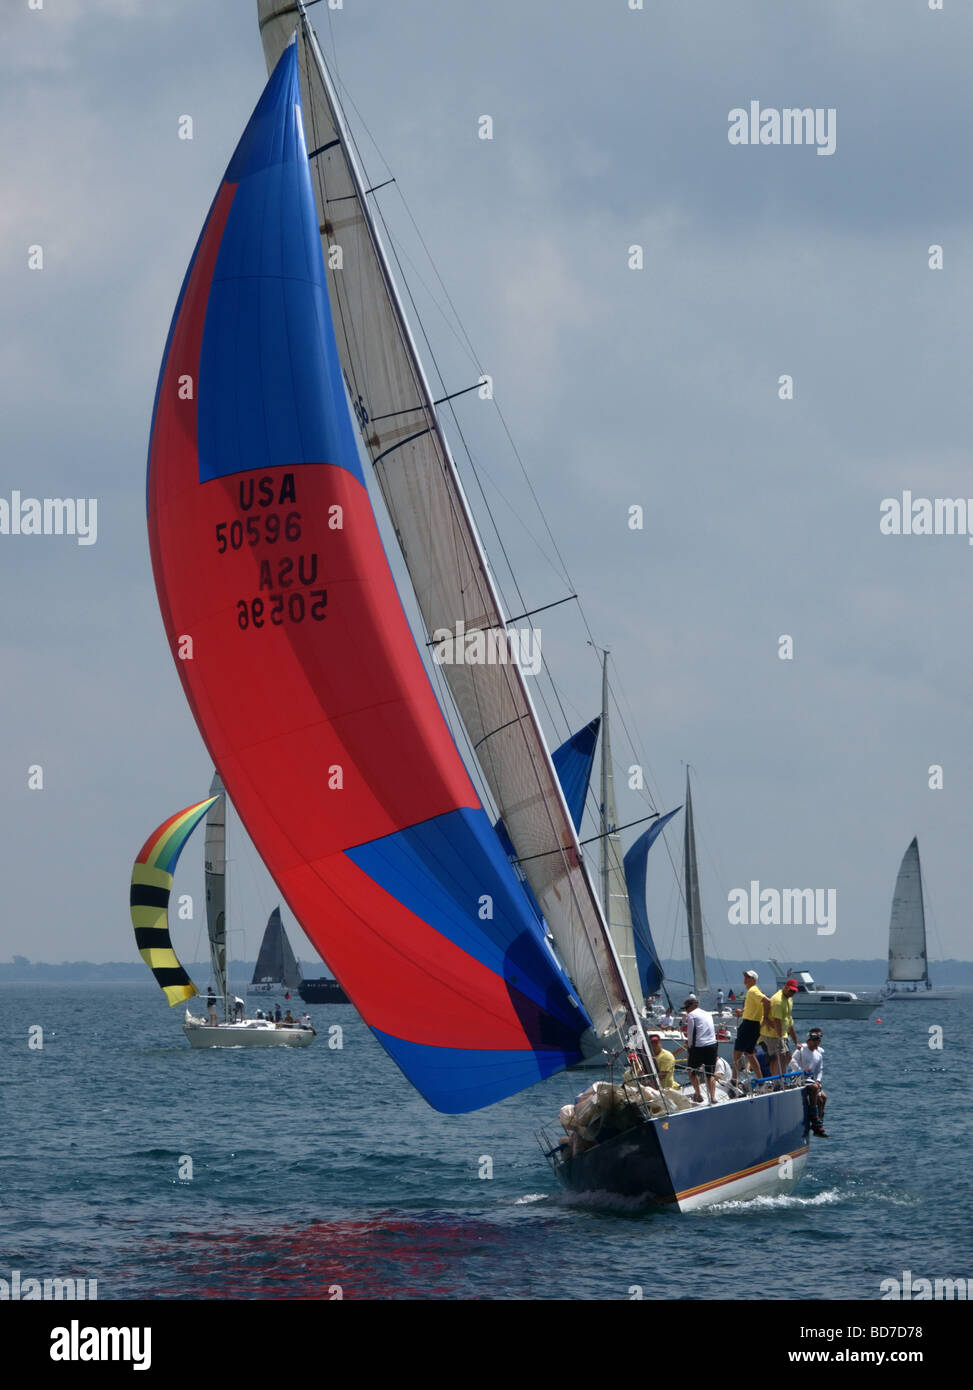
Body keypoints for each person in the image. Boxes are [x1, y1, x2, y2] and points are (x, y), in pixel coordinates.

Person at [760, 978, 800, 1079]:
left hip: (782, 1033)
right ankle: (777, 1081)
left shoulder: (789, 999)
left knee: (787, 1056)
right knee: (778, 1057)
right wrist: (780, 1036)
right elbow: (776, 1021)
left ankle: (779, 1077)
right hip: (772, 1034)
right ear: (785, 987)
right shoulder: (778, 1001)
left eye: (794, 991)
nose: (792, 993)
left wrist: (796, 1042)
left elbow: (789, 1020)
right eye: (791, 990)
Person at [791, 1028, 828, 1136]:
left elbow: (819, 1070)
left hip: (811, 1080)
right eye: (815, 1040)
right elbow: (791, 1061)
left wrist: (818, 1081)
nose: (817, 1043)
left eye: (819, 1041)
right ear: (809, 1040)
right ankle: (814, 1116)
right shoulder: (801, 1049)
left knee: (823, 1098)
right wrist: (800, 1071)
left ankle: (818, 1123)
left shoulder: (818, 1054)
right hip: (798, 1077)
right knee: (814, 1089)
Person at [731, 969, 766, 1083]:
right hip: (754, 1025)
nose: (745, 979)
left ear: (754, 980)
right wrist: (742, 1012)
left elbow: (767, 1001)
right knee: (749, 1054)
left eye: (748, 977)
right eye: (745, 976)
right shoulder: (753, 991)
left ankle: (734, 1080)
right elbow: (755, 1006)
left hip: (749, 1025)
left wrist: (766, 1019)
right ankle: (761, 1080)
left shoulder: (752, 991)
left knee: (737, 1053)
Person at [684, 995, 718, 1104]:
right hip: (712, 1045)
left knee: (692, 1071)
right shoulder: (708, 1013)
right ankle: (713, 1098)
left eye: (686, 1007)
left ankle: (698, 1095)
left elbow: (690, 1033)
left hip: (699, 1047)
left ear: (693, 1006)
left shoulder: (691, 1015)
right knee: (710, 1074)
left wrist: (689, 1047)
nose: (686, 1010)